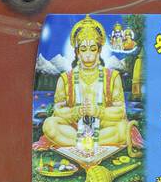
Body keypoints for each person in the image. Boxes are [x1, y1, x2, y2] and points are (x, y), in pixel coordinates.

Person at [40, 16, 137, 151]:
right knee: (49, 125)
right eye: (83, 49)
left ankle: (80, 143)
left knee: (122, 128)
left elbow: (120, 110)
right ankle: (88, 143)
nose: (88, 55)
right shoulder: (65, 79)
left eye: (92, 49)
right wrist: (75, 112)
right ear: (77, 52)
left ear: (99, 50)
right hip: (74, 127)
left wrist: (98, 111)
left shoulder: (112, 77)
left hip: (103, 126)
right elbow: (58, 110)